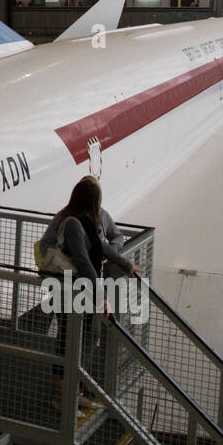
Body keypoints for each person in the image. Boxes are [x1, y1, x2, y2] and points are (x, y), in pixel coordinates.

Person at [37, 176, 140, 412]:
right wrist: (102, 296)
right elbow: (83, 260)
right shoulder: (73, 223)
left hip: (78, 292)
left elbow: (101, 247)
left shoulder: (84, 221)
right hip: (68, 292)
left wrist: (126, 265)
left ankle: (75, 392)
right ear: (91, 201)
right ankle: (62, 398)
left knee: (79, 339)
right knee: (67, 340)